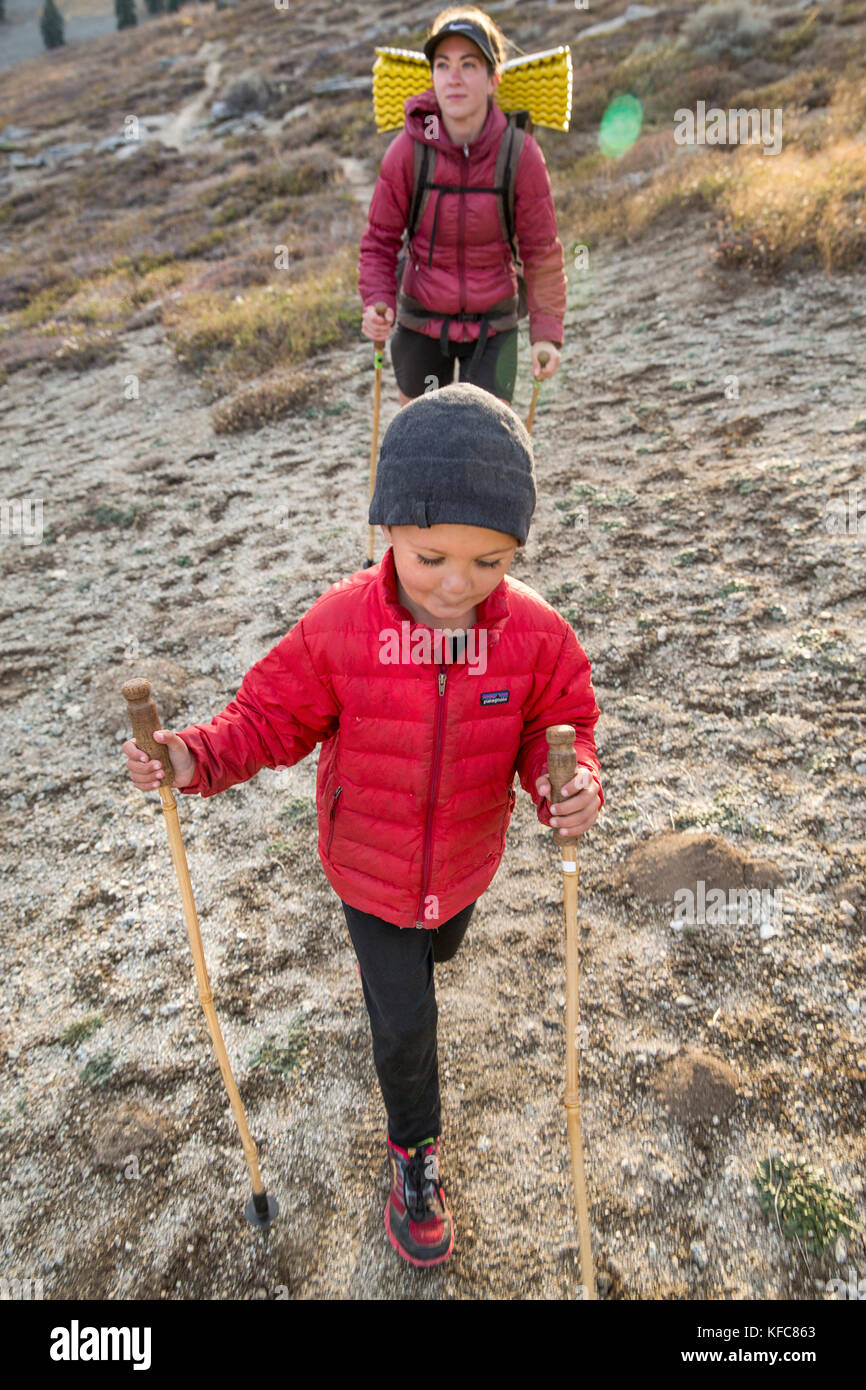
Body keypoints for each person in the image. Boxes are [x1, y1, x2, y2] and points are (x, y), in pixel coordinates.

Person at [122, 384, 602, 1268]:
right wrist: (191, 758)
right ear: (386, 529)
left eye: (489, 562)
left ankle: (430, 956)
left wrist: (564, 786)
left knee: (442, 948)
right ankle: (414, 1152)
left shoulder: (534, 635)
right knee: (405, 1020)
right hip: (370, 874)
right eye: (431, 557)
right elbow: (266, 719)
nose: (459, 585)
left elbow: (558, 726)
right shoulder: (340, 628)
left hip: (464, 864)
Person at [359, 6, 567, 406]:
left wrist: (546, 334)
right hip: (420, 321)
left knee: (483, 448)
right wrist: (377, 301)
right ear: (432, 76)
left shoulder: (520, 155)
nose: (453, 78)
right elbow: (380, 241)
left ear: (493, 79)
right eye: (443, 65)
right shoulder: (407, 151)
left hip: (494, 328)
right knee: (421, 447)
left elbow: (542, 251)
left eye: (468, 65)